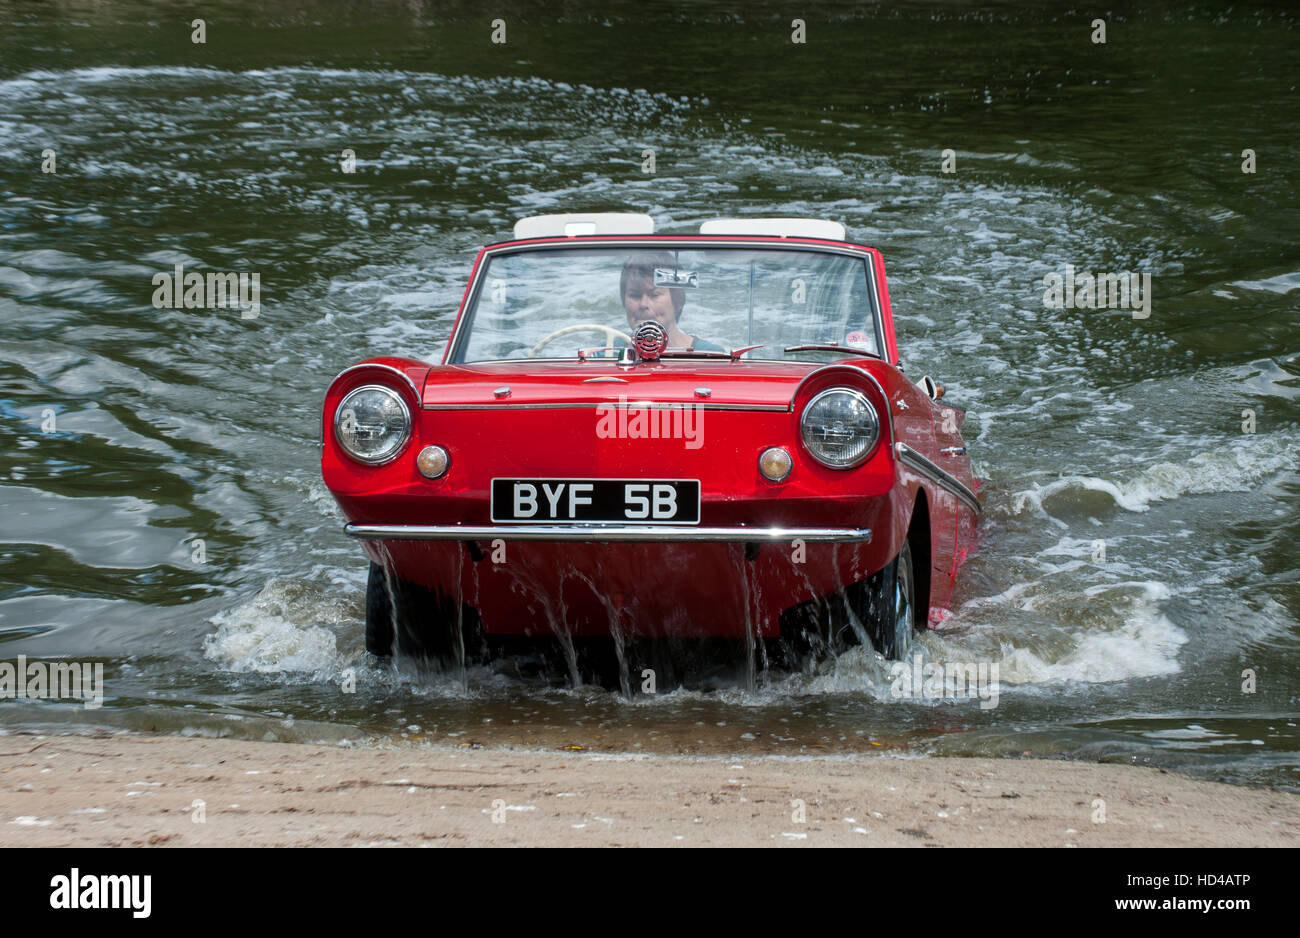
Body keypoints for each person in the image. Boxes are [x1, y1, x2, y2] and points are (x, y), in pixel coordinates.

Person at [619, 253, 725, 351]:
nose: (643, 304)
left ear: (678, 301)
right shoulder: (606, 353)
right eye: (635, 295)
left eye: (654, 295)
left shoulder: (712, 357)